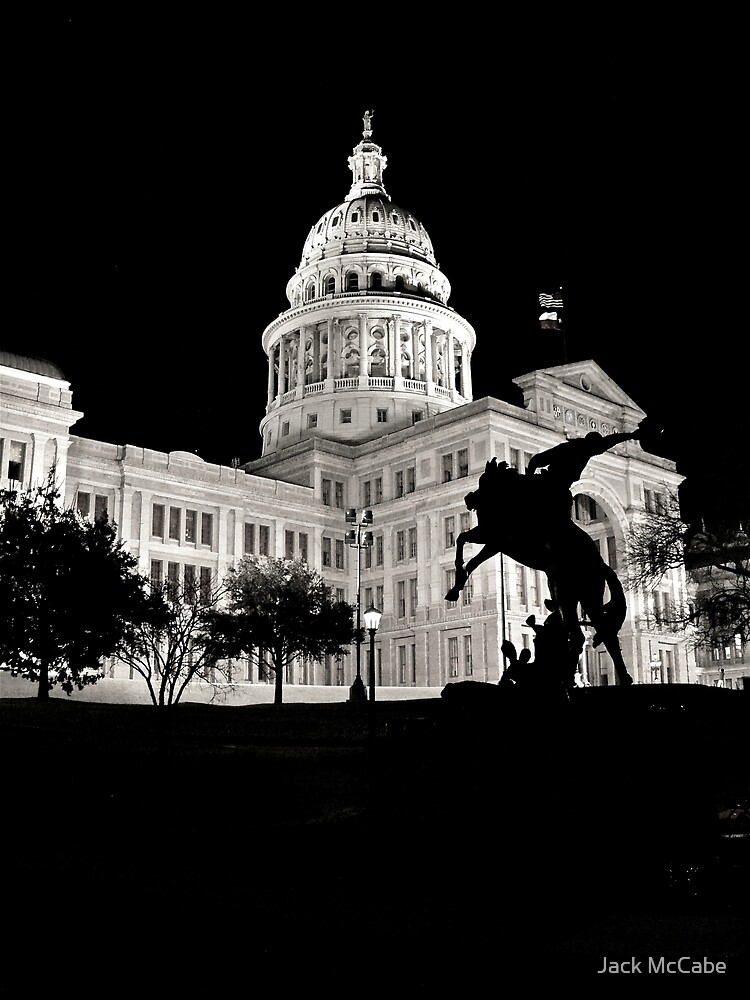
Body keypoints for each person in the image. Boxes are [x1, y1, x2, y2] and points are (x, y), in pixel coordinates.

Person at [526, 423, 644, 488]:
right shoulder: (583, 449)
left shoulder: (570, 447)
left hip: (558, 485)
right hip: (553, 485)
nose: (600, 449)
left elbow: (536, 460)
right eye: (598, 447)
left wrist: (630, 435)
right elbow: (609, 440)